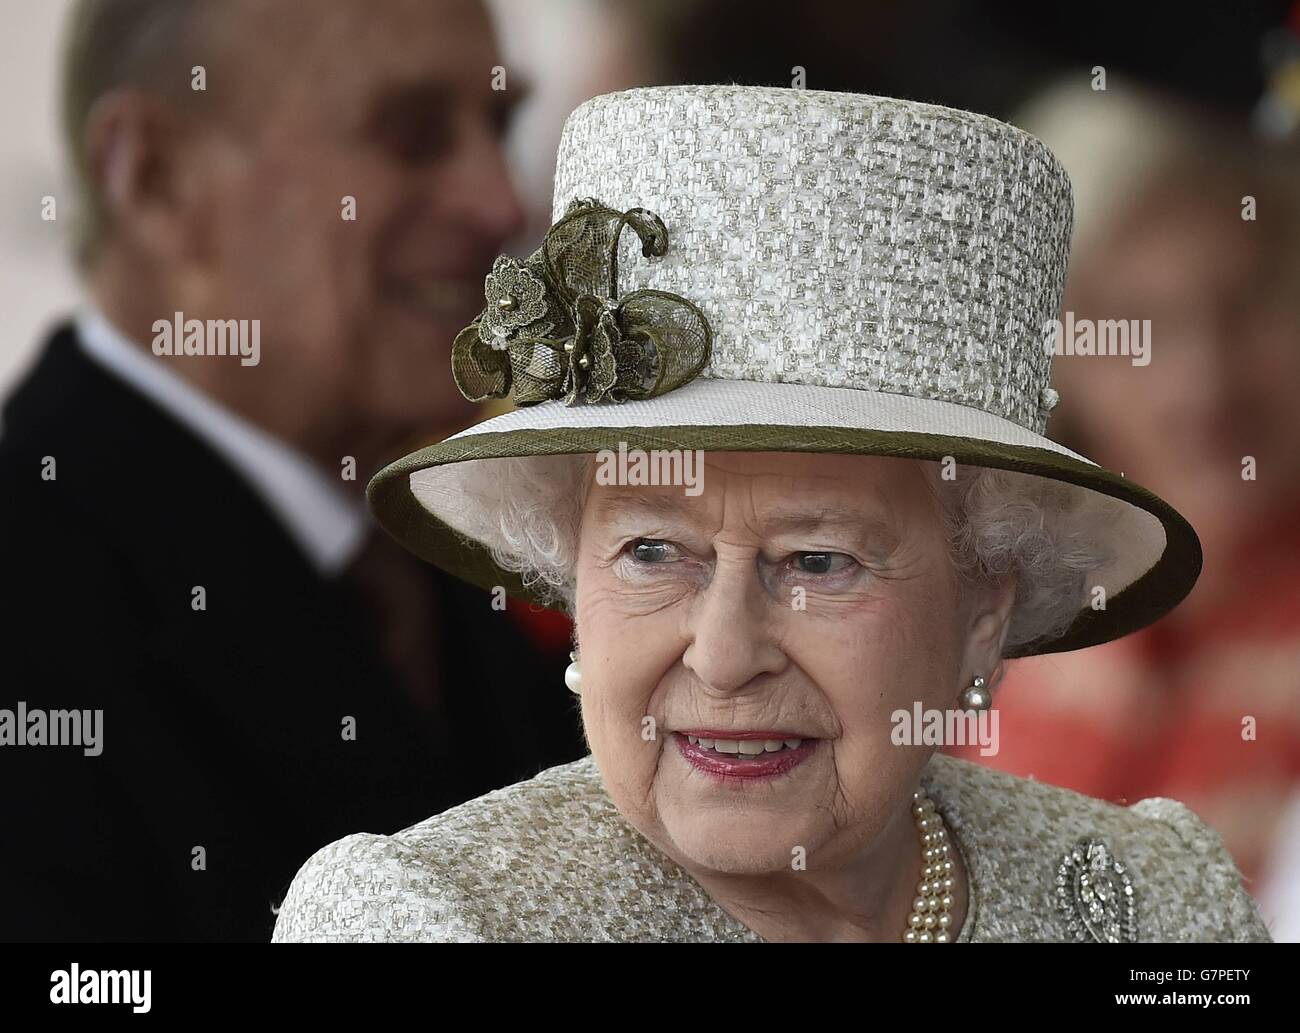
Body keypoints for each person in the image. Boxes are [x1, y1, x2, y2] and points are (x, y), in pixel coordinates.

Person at [271, 85, 1270, 942]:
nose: (723, 652)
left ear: (981, 611)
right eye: (653, 550)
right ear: (571, 574)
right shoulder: (432, 921)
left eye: (817, 561)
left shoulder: (1155, 903)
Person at [0, 0, 584, 942]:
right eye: (412, 133)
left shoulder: (467, 543)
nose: (501, 203)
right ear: (156, 179)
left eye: (498, 124)